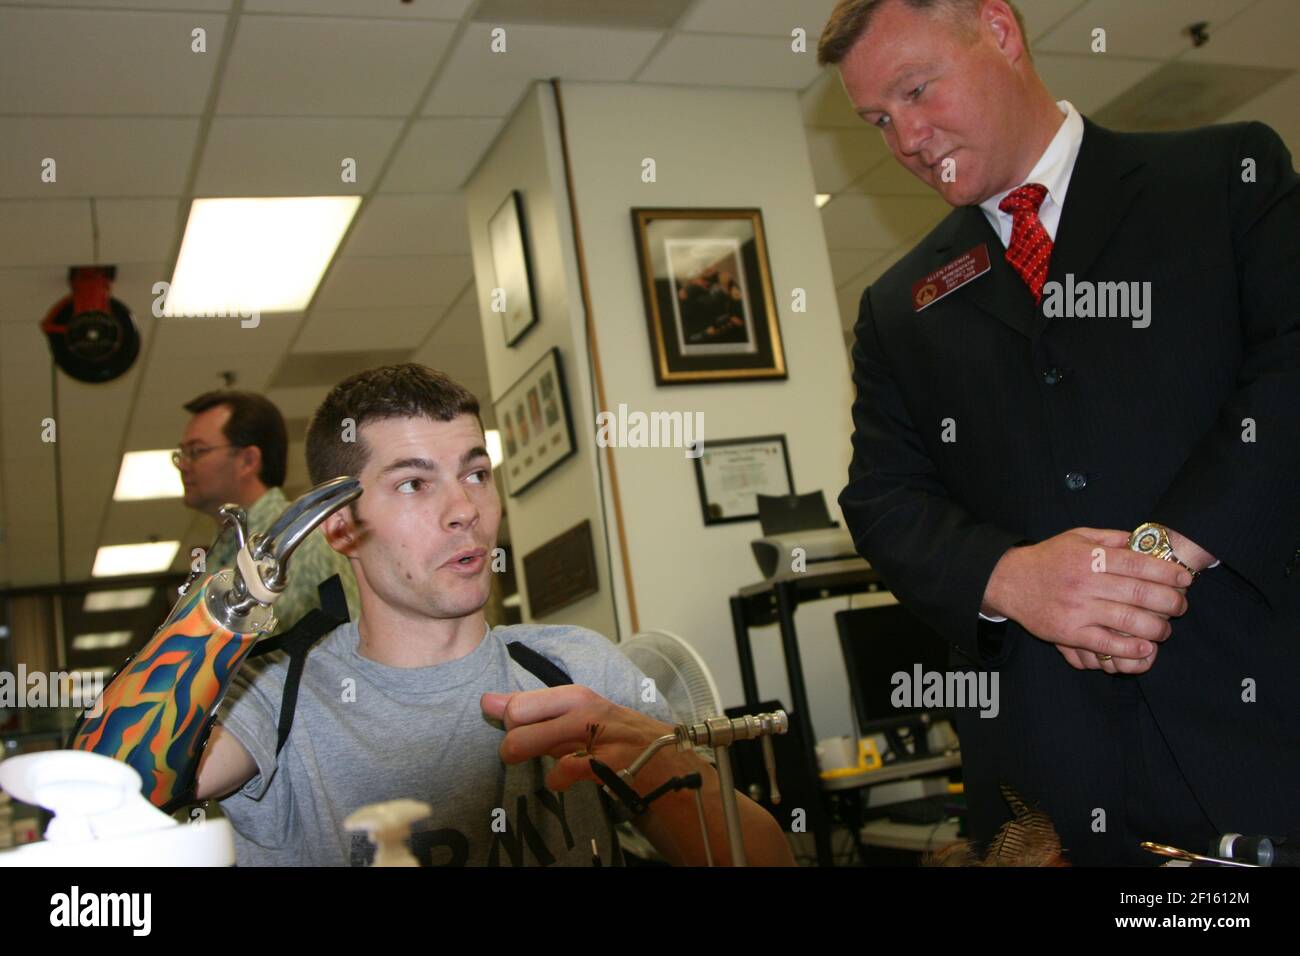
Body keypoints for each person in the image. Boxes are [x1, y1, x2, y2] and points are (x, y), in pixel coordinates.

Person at [821, 0, 1300, 865]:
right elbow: (884, 500)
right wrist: (1009, 577)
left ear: (999, 32)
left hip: (1266, 719)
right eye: (879, 120)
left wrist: (1163, 551)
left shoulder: (1225, 175)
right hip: (1055, 791)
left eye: (917, 90)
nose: (907, 138)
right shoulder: (901, 307)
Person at [194, 364, 793, 866]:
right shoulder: (274, 697)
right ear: (341, 526)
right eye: (412, 484)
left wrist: (653, 753)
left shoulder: (575, 666)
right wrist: (230, 600)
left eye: (477, 474)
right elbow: (127, 781)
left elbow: (765, 860)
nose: (464, 509)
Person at [176, 391, 361, 633]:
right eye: (181, 453)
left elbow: (356, 639)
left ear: (248, 460)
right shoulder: (218, 555)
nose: (182, 464)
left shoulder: (302, 541)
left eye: (196, 451)